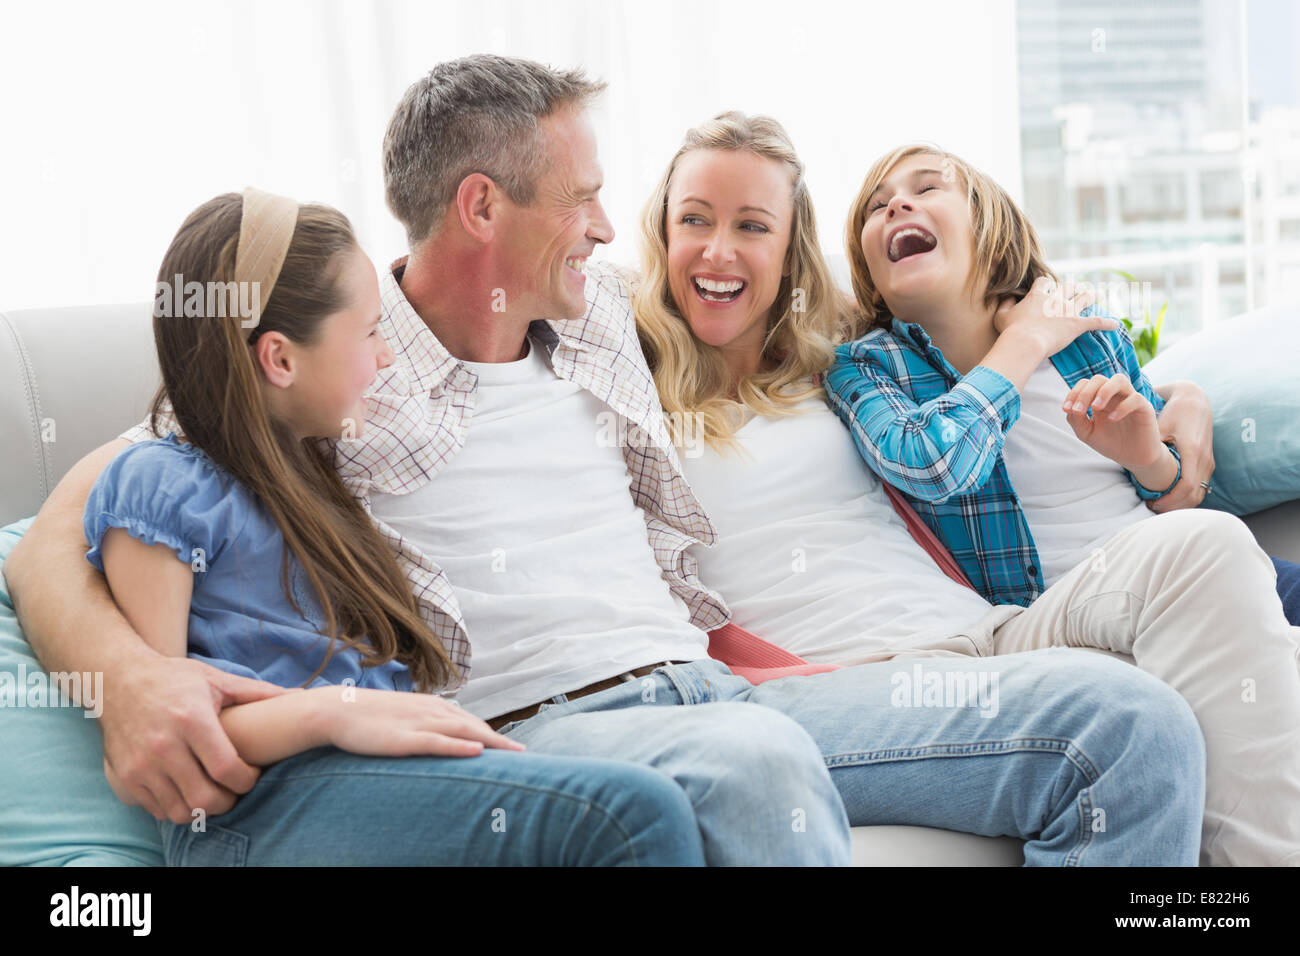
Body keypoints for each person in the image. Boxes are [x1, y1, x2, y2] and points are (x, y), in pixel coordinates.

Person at [4, 56, 1204, 867]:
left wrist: (1176, 398)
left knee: (1126, 721)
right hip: (532, 725)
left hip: (720, 689)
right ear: (482, 209)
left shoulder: (602, 313)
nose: (603, 222)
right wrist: (124, 676)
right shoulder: (334, 348)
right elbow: (77, 509)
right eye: (580, 196)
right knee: (750, 763)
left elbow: (823, 311)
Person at [631, 112, 1298, 865]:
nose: (719, 249)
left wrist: (1186, 398)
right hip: (842, 676)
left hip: (991, 630)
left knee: (1206, 544)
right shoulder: (625, 383)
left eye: (753, 225)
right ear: (659, 233)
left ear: (790, 252)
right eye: (694, 218)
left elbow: (1001, 368)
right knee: (1130, 721)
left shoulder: (826, 362)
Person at [77, 187, 711, 866]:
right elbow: (171, 730)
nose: (386, 358)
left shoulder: (319, 479)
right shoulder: (158, 483)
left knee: (635, 799)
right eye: (372, 332)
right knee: (635, 813)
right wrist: (336, 713)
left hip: (377, 777)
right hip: (259, 814)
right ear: (281, 360)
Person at [823, 143, 1300, 625]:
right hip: (1061, 613)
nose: (898, 205)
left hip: (1177, 564)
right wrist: (1025, 341)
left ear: (992, 234)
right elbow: (934, 467)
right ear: (870, 272)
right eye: (877, 207)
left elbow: (1179, 487)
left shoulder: (1082, 332)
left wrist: (1146, 456)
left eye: (927, 188)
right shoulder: (864, 367)